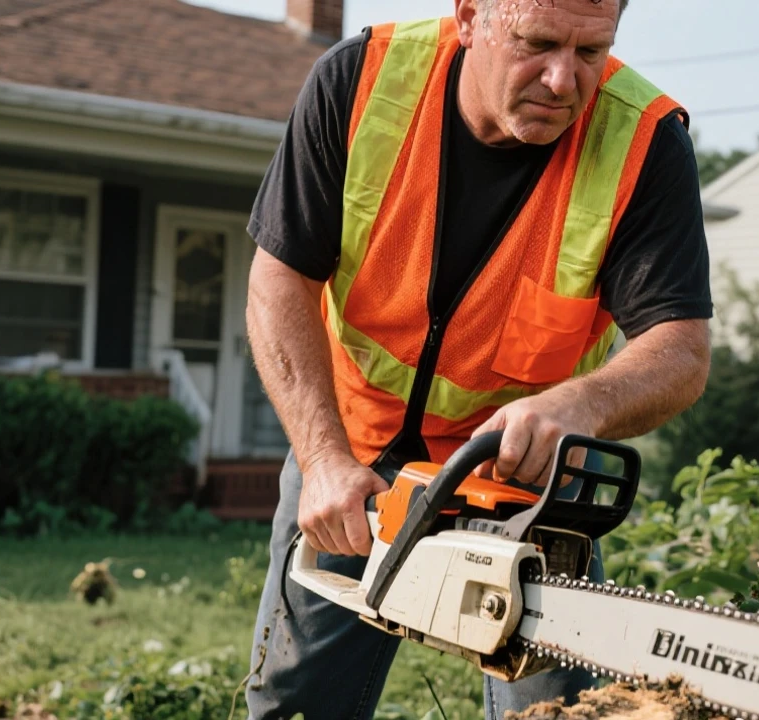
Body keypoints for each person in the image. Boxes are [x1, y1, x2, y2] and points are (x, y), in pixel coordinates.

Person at [242, 0, 712, 718]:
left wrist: (578, 405)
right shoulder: (362, 80)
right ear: (469, 17)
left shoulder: (645, 144)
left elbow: (680, 349)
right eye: (539, 43)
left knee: (554, 713)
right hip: (353, 461)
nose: (563, 80)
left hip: (518, 483)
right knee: (297, 702)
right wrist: (322, 457)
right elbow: (280, 280)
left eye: (591, 52)